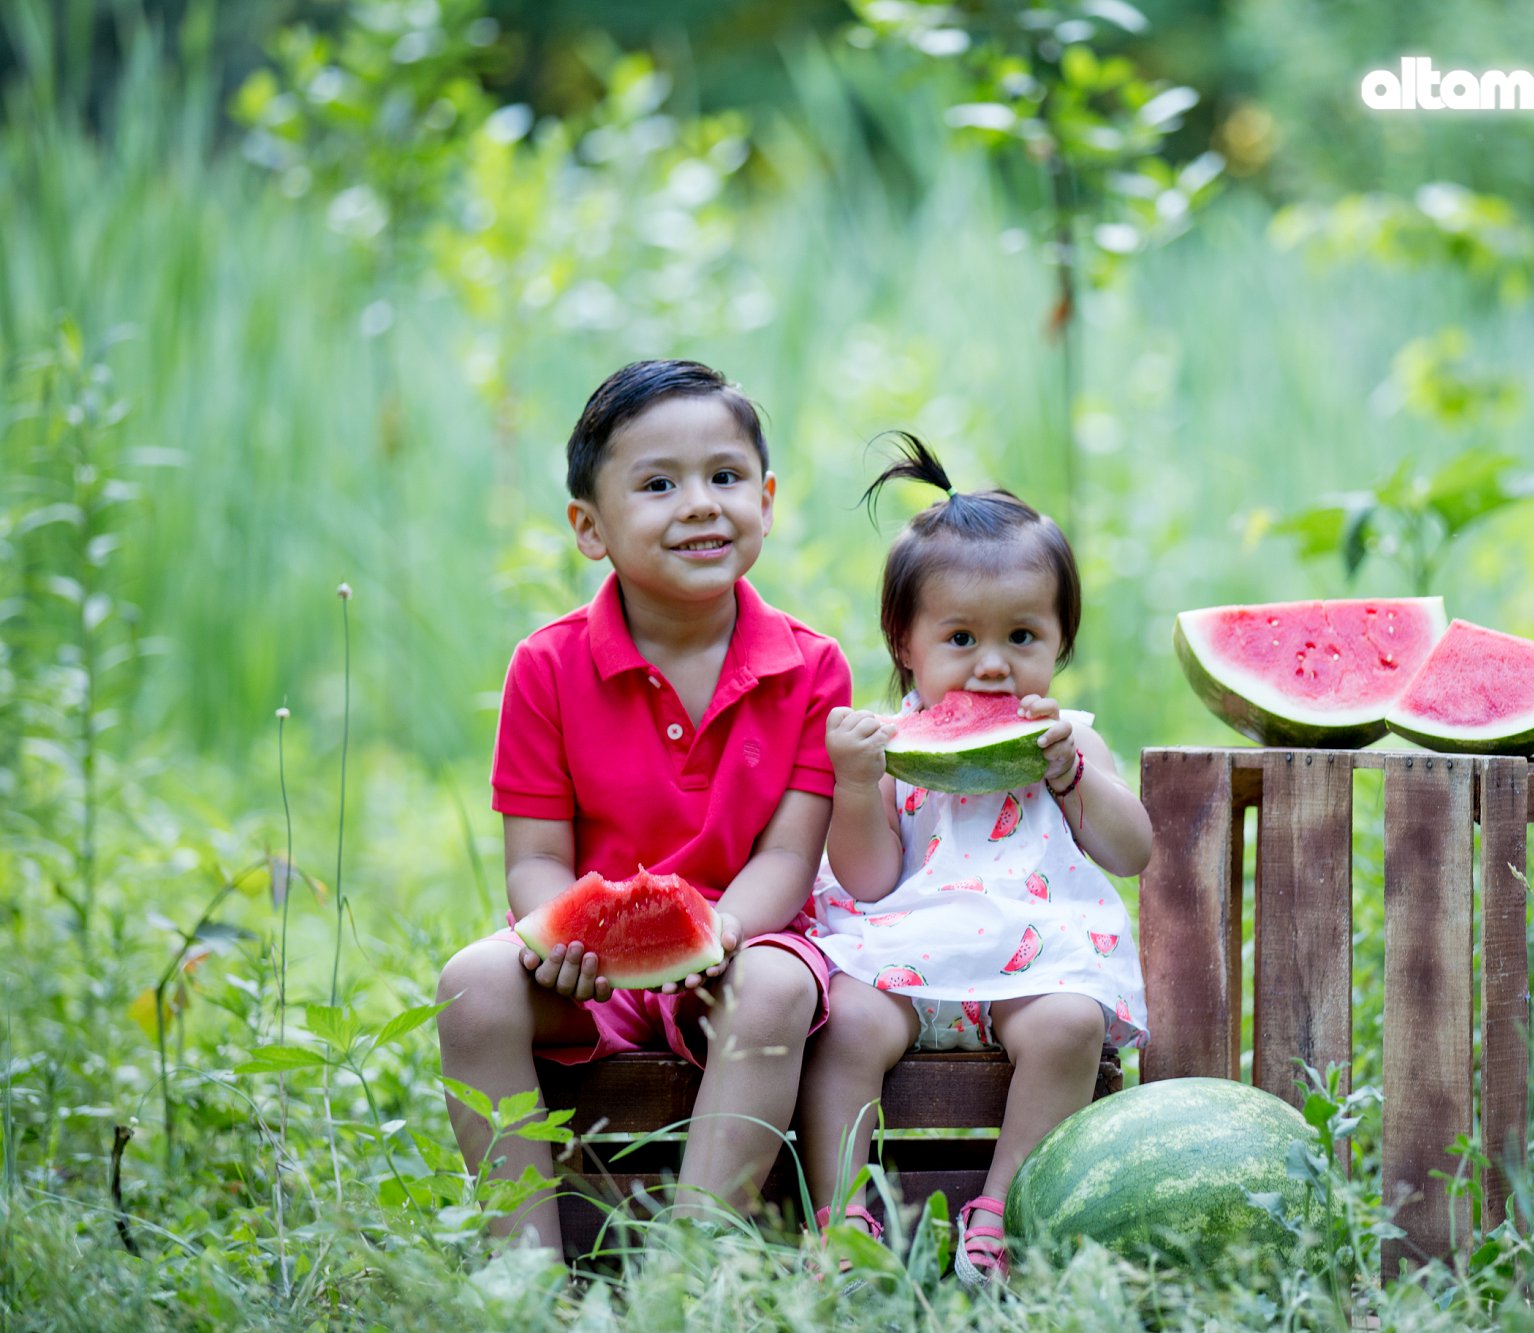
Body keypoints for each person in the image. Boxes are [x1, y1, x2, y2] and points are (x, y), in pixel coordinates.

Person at [434, 359, 851, 1248]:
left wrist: (727, 931)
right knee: (471, 985)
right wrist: (563, 932)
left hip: (749, 947)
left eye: (726, 477)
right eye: (659, 483)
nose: (700, 503)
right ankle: (525, 1273)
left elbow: (787, 855)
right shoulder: (545, 667)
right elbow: (537, 858)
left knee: (776, 986)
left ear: (767, 500)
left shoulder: (813, 668)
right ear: (590, 527)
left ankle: (693, 1262)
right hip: (591, 974)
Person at [799, 434, 1151, 1285]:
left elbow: (1132, 850)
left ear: (1061, 640)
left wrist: (1073, 779)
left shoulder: (1072, 742)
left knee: (1071, 1025)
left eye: (1023, 636)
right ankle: (842, 1216)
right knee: (843, 1023)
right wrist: (854, 785)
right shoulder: (888, 747)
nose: (993, 664)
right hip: (904, 963)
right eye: (961, 637)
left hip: (1030, 968)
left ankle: (1000, 1211)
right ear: (904, 644)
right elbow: (869, 878)